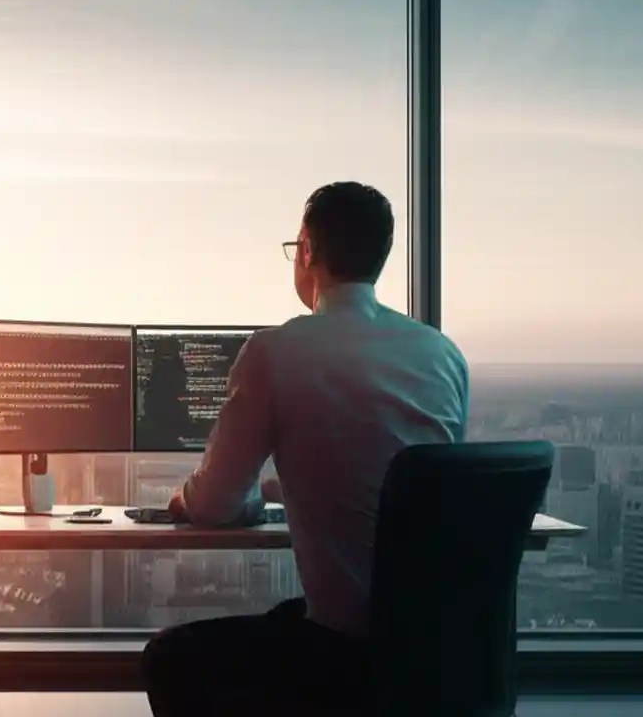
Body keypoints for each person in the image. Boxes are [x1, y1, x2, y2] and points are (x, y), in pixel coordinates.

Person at [140, 182, 470, 716]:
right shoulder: (442, 353)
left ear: (308, 251)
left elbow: (215, 506)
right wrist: (283, 488)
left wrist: (190, 498)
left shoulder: (276, 351)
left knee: (168, 658)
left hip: (346, 653)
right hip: (438, 649)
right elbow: (414, 478)